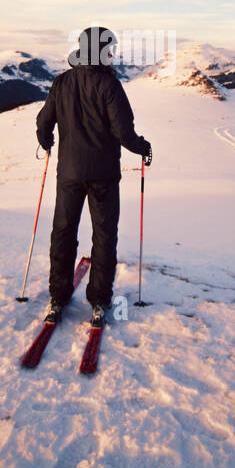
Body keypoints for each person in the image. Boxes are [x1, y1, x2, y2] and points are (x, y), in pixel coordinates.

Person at [36, 26, 152, 327]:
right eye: (109, 49)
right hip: (103, 176)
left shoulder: (62, 82)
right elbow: (124, 133)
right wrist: (144, 148)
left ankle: (58, 296)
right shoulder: (110, 86)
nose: (113, 55)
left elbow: (43, 121)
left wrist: (46, 140)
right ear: (98, 51)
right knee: (103, 236)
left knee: (63, 231)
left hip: (69, 174)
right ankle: (99, 300)